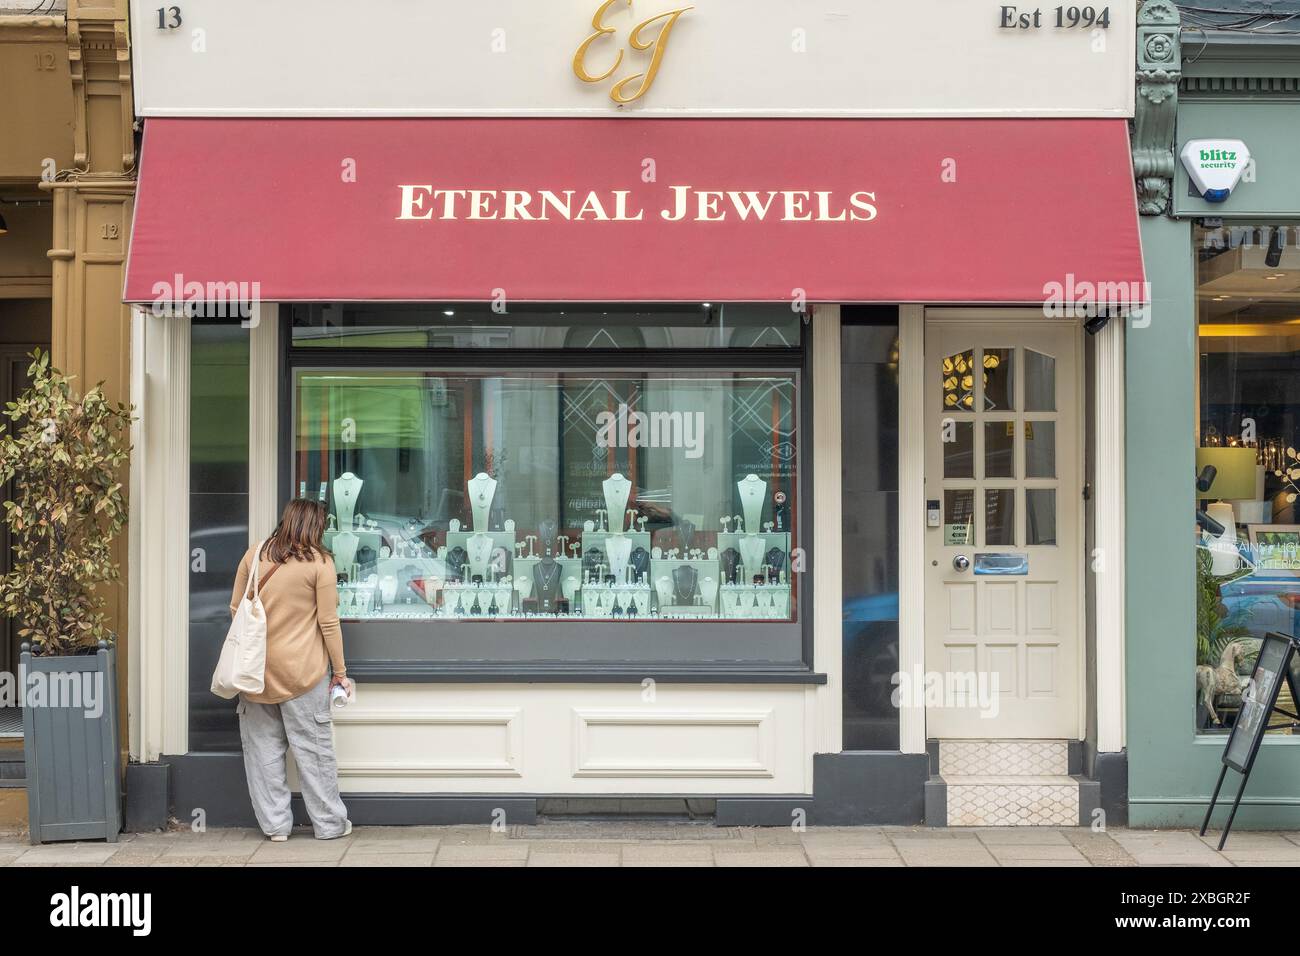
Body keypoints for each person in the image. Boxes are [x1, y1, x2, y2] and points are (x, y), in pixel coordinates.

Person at [228, 498, 352, 841]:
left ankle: (275, 827)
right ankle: (329, 825)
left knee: (263, 755)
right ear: (316, 526)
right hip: (304, 674)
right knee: (314, 755)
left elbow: (236, 608)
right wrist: (340, 672)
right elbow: (329, 623)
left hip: (255, 674)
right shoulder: (319, 563)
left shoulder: (254, 555)